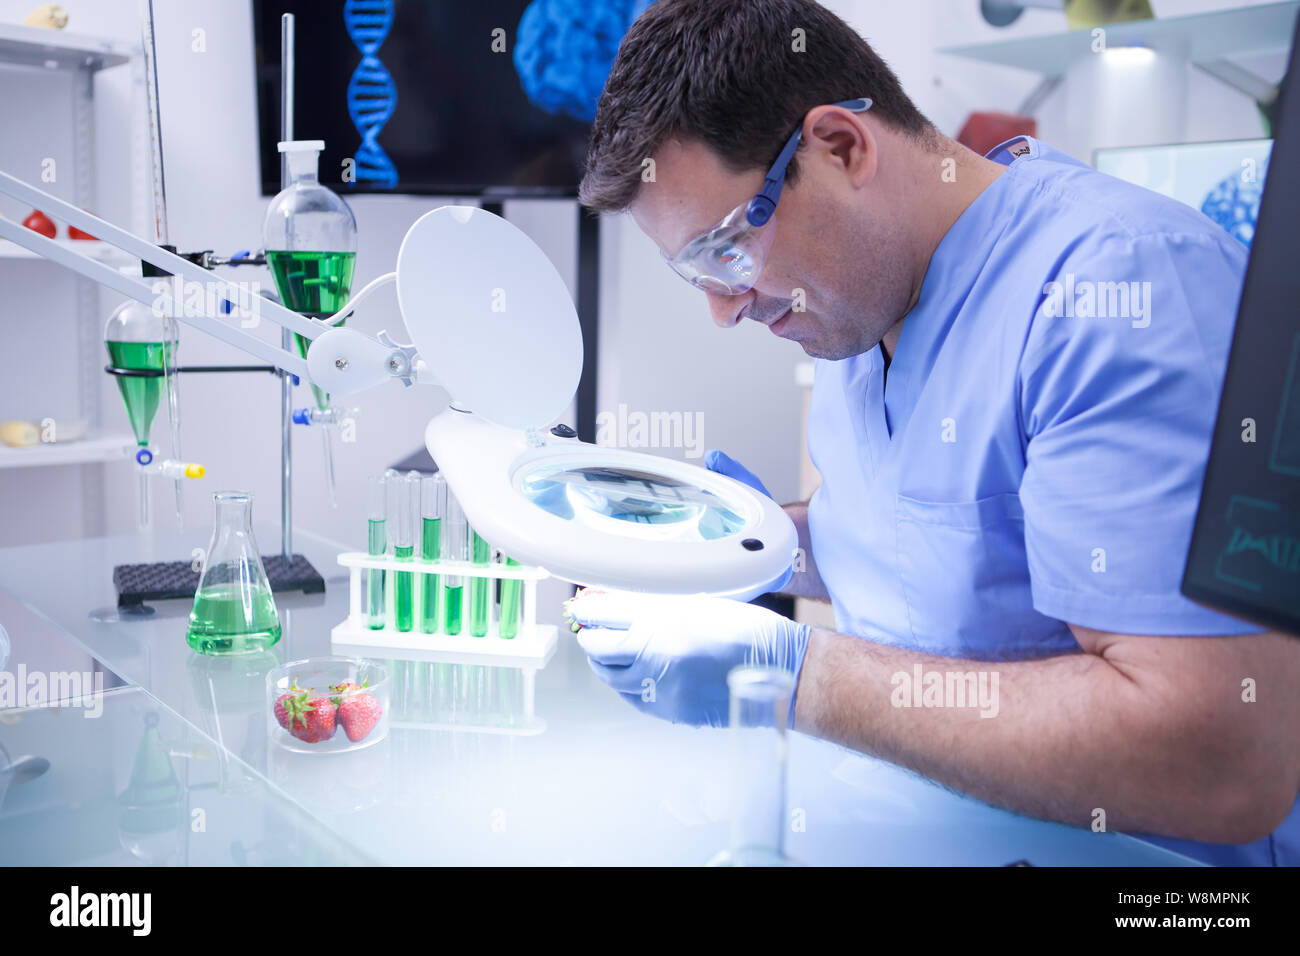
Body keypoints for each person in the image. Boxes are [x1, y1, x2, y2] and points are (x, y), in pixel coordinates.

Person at [565, 0, 1300, 865]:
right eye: (695, 271)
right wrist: (745, 545)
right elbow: (940, 557)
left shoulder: (1122, 290)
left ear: (841, 146)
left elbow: (1221, 758)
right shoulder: (862, 306)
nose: (724, 310)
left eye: (726, 250)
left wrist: (802, 674)